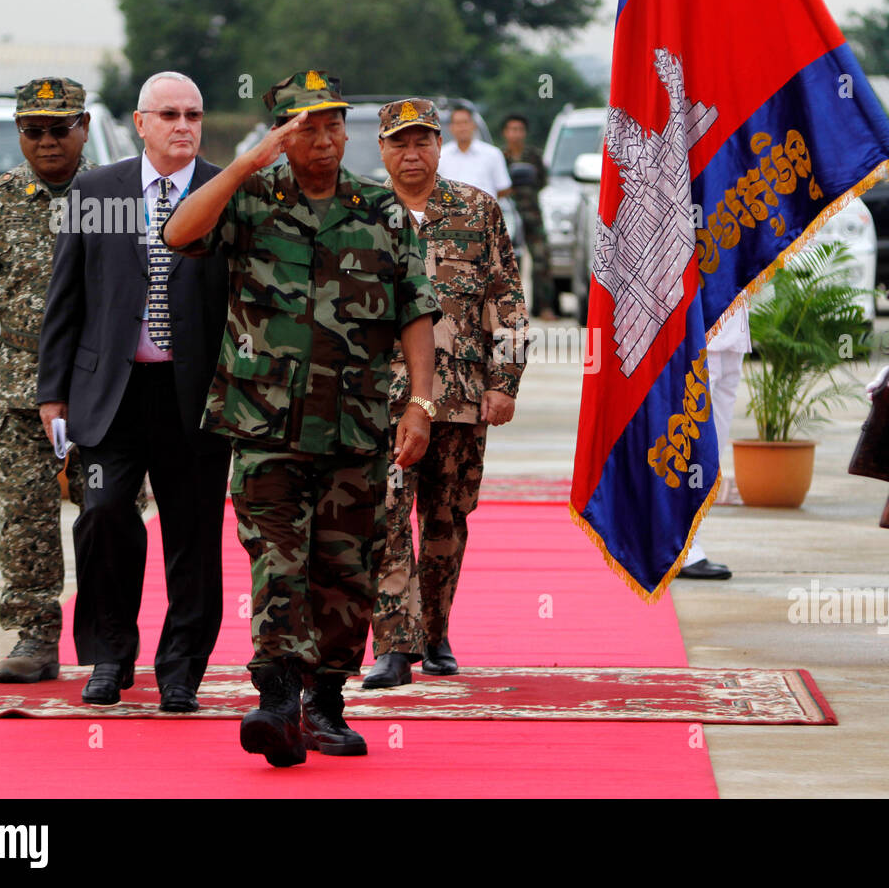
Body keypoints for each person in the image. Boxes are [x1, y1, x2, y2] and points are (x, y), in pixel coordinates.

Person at [163, 71, 440, 767]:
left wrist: (421, 402)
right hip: (264, 424)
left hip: (355, 426)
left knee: (345, 570)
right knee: (278, 562)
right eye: (306, 128)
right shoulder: (251, 199)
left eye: (333, 125)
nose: (323, 139)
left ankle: (325, 703)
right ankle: (278, 695)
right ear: (283, 137)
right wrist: (248, 161)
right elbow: (178, 232)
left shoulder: (380, 210)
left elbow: (415, 310)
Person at [36, 71, 230, 713]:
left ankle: (181, 669)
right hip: (108, 394)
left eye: (194, 115)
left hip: (194, 397)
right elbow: (66, 299)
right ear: (141, 123)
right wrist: (52, 394)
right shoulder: (97, 191)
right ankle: (110, 655)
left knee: (194, 536)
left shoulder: (225, 191)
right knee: (102, 515)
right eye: (169, 114)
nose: (183, 126)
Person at [364, 98, 529, 689]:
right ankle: (392, 643)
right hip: (379, 400)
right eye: (400, 143)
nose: (412, 154)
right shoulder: (361, 212)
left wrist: (503, 382)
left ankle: (434, 632)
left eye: (422, 142)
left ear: (439, 145)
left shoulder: (476, 209)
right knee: (383, 518)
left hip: (459, 399)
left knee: (446, 521)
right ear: (381, 149)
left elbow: (507, 299)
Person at [0, 77, 93, 684]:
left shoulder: (115, 196)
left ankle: (110, 634)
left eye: (60, 127)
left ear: (83, 127)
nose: (48, 140)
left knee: (107, 512)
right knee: (26, 514)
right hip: (17, 387)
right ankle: (34, 635)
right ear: (19, 133)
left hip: (98, 382)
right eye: (34, 130)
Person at [677, 304, 747, 580]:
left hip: (733, 323)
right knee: (694, 442)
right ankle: (682, 546)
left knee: (712, 448)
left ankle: (690, 540)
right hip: (701, 323)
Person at [501, 114, 556, 319]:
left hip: (533, 214)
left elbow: (542, 182)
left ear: (524, 132)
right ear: (505, 133)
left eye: (519, 129)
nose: (515, 134)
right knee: (508, 261)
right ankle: (510, 307)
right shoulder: (500, 157)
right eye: (511, 129)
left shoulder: (534, 156)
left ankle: (545, 306)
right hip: (508, 214)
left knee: (541, 258)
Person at [438, 105, 512, 200]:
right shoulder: (441, 155)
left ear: (474, 125)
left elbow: (503, 188)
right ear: (451, 127)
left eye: (465, 122)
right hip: (451, 213)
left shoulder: (493, 154)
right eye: (458, 123)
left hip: (485, 212)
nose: (462, 127)